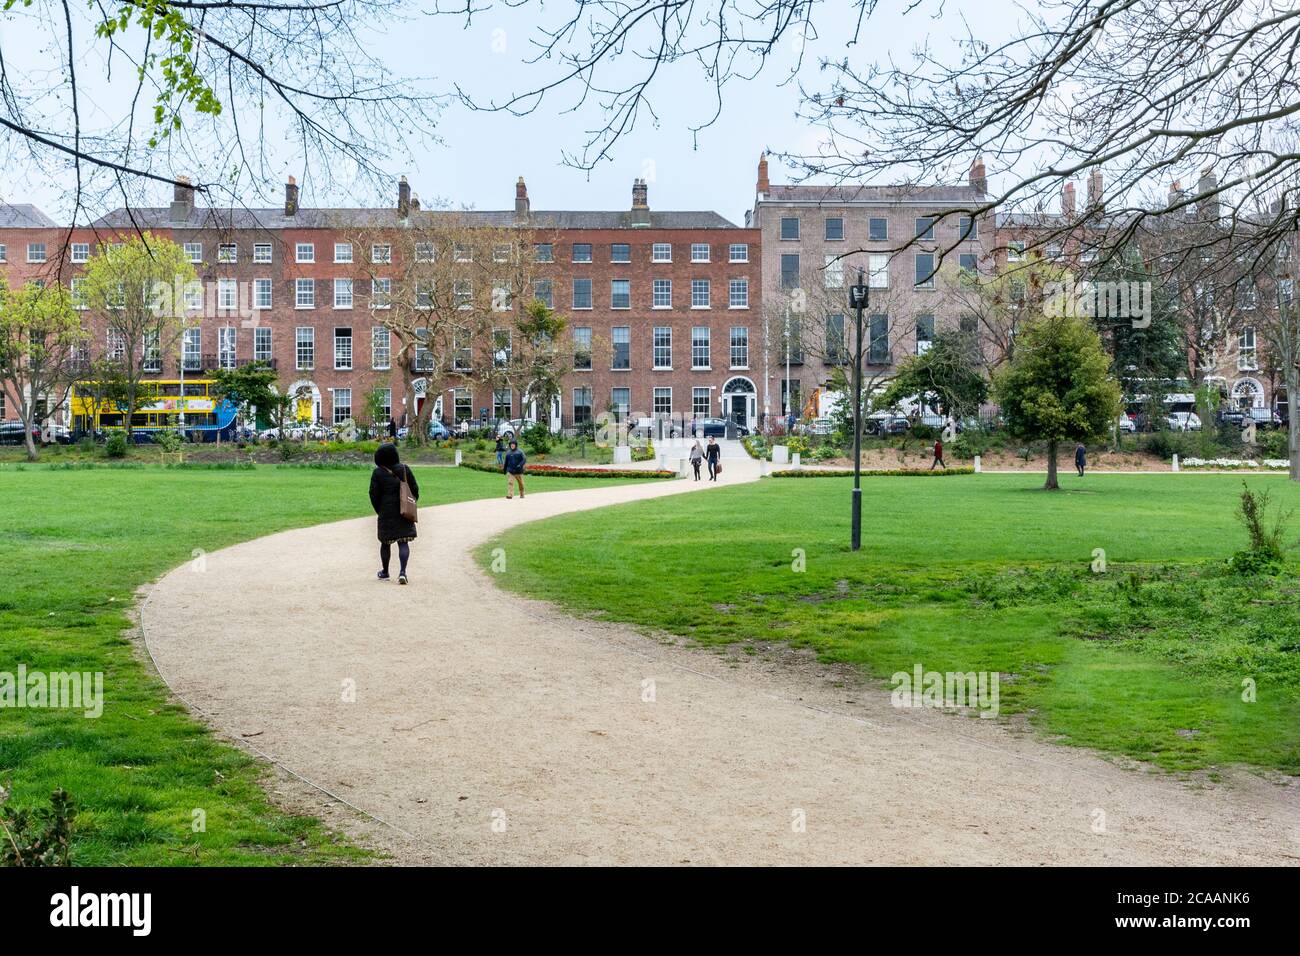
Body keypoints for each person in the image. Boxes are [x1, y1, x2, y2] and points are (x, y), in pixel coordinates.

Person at [369, 443, 418, 585]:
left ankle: (385, 572)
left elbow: (373, 494)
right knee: (403, 542)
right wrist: (410, 504)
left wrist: (379, 510)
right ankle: (403, 572)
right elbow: (414, 489)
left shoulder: (378, 473)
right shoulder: (404, 469)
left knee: (385, 543)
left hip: (386, 511)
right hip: (404, 511)